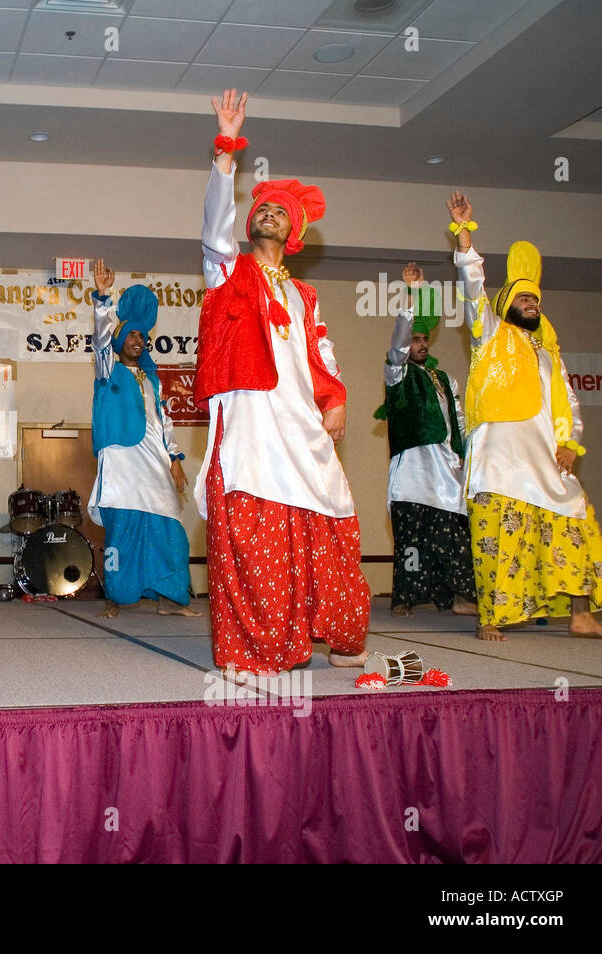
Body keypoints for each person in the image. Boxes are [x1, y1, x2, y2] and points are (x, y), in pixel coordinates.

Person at [192, 89, 370, 674]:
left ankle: (337, 634)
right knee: (252, 528)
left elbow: (324, 352)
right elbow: (214, 225)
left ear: (293, 231)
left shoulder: (303, 293)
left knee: (326, 513)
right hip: (250, 416)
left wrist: (336, 399)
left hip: (301, 422)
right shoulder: (228, 271)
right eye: (260, 207)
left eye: (279, 211)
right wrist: (226, 152)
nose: (267, 212)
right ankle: (251, 648)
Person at [447, 190, 602, 641]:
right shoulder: (489, 332)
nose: (532, 303)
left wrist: (570, 442)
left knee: (575, 517)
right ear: (506, 305)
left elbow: (569, 401)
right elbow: (473, 288)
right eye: (523, 298)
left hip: (544, 453)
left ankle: (580, 614)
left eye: (536, 299)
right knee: (497, 537)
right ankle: (490, 617)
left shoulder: (547, 353)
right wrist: (463, 236)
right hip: (499, 454)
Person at [87, 259, 199, 620]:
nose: (138, 341)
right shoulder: (107, 370)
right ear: (121, 338)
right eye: (132, 335)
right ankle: (114, 597)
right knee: (122, 529)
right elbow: (100, 338)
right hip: (121, 460)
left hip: (155, 461)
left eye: (142, 337)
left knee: (168, 526)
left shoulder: (153, 381)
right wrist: (103, 297)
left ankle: (170, 598)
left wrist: (176, 460)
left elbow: (164, 423)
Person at [376, 265, 476, 618]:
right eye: (415, 339)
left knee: (451, 536)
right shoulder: (397, 373)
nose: (420, 344)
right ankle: (405, 596)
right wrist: (413, 297)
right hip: (411, 473)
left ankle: (459, 596)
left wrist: (466, 456)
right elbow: (397, 343)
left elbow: (460, 421)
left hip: (446, 469)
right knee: (411, 536)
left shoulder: (445, 379)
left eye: (423, 340)